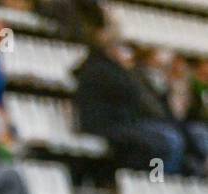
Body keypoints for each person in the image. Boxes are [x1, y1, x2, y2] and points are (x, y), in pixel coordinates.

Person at [73, 31, 192, 176]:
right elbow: (134, 98)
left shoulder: (123, 72)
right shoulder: (100, 70)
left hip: (126, 122)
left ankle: (169, 179)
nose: (128, 54)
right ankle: (158, 179)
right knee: (167, 140)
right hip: (107, 125)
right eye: (124, 49)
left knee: (189, 138)